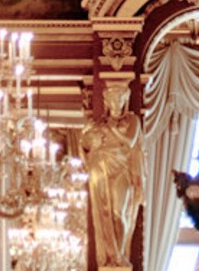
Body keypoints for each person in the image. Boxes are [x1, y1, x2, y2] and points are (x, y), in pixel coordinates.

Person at [80, 84, 143, 270]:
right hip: (102, 167)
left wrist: (110, 128)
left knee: (118, 212)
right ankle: (111, 257)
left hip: (122, 168)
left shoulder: (132, 120)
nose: (116, 103)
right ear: (107, 102)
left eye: (119, 99)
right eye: (112, 100)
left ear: (124, 101)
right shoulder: (99, 124)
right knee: (104, 213)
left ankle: (121, 254)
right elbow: (85, 147)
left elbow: (130, 141)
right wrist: (86, 140)